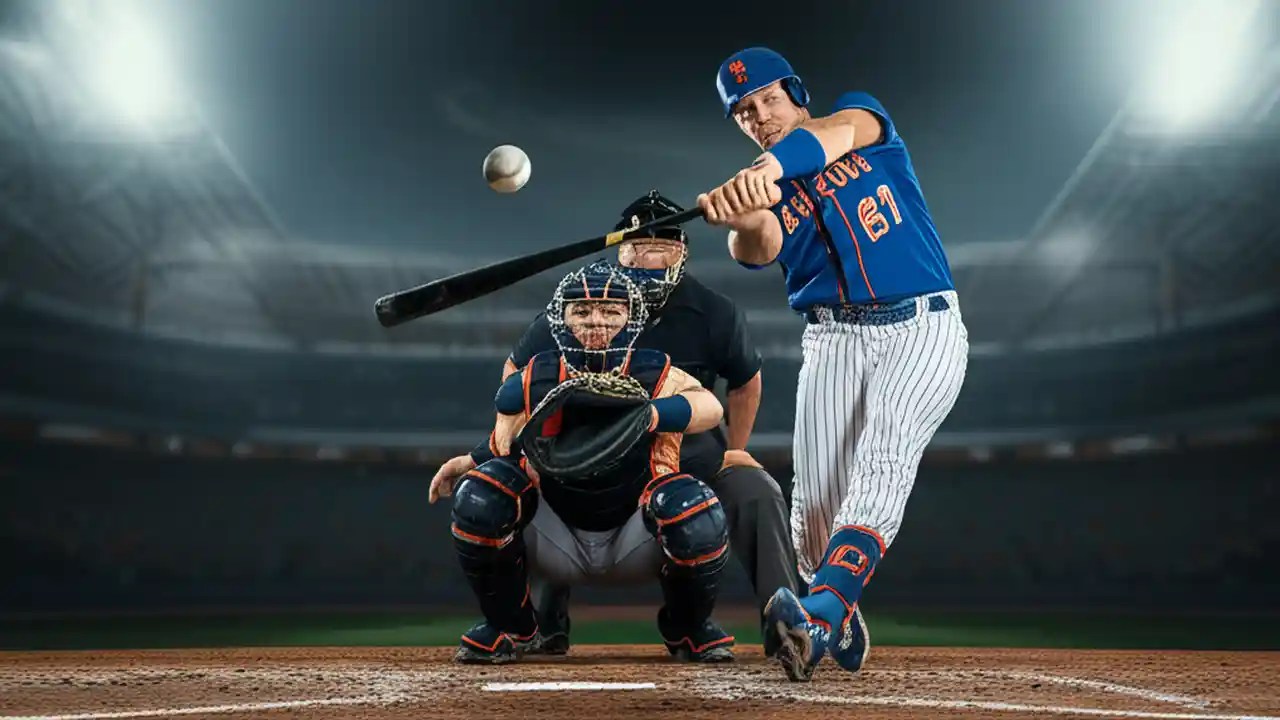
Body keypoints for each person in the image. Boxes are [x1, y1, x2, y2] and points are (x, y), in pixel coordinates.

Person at [697, 47, 970, 681]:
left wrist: (766, 167)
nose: (761, 115)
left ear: (795, 93)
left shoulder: (861, 120)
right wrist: (737, 216)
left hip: (920, 326)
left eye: (769, 98)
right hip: (833, 342)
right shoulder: (765, 185)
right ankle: (835, 603)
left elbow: (834, 134)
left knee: (883, 460)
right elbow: (758, 245)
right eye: (745, 111)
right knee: (813, 515)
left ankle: (818, 618)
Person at [432, 190, 799, 654]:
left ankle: (778, 618)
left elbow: (739, 387)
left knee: (744, 491)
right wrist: (496, 449)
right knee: (500, 487)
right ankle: (526, 618)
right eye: (637, 246)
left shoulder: (710, 316)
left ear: (681, 253)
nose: (597, 323)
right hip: (574, 464)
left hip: (678, 458)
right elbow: (518, 381)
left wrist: (728, 446)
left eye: (661, 247)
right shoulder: (580, 302)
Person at [429, 260, 736, 664]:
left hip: (637, 534)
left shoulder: (658, 372)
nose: (596, 322)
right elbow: (506, 443)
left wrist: (651, 414)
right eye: (582, 310)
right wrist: (470, 461)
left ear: (632, 318)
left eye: (611, 311)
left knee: (694, 509)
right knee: (482, 494)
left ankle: (689, 628)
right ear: (561, 319)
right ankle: (511, 624)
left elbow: (710, 407)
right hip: (556, 531)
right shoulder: (533, 377)